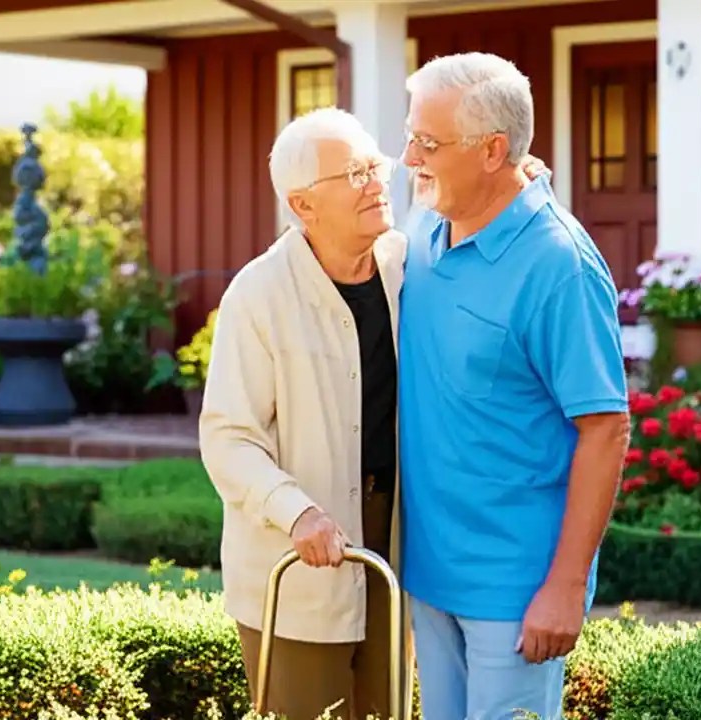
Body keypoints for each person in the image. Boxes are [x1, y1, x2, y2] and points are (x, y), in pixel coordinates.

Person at [396, 52, 632, 720]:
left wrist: (563, 587)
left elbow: (605, 427)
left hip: (515, 592)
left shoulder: (561, 266)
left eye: (428, 142)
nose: (410, 157)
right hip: (428, 575)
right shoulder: (425, 228)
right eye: (411, 135)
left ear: (493, 150)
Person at [198, 106, 411, 720]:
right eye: (353, 173)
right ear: (302, 205)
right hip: (298, 556)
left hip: (392, 547)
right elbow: (228, 438)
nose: (376, 182)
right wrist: (298, 513)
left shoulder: (408, 267)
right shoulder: (258, 294)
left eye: (375, 165)